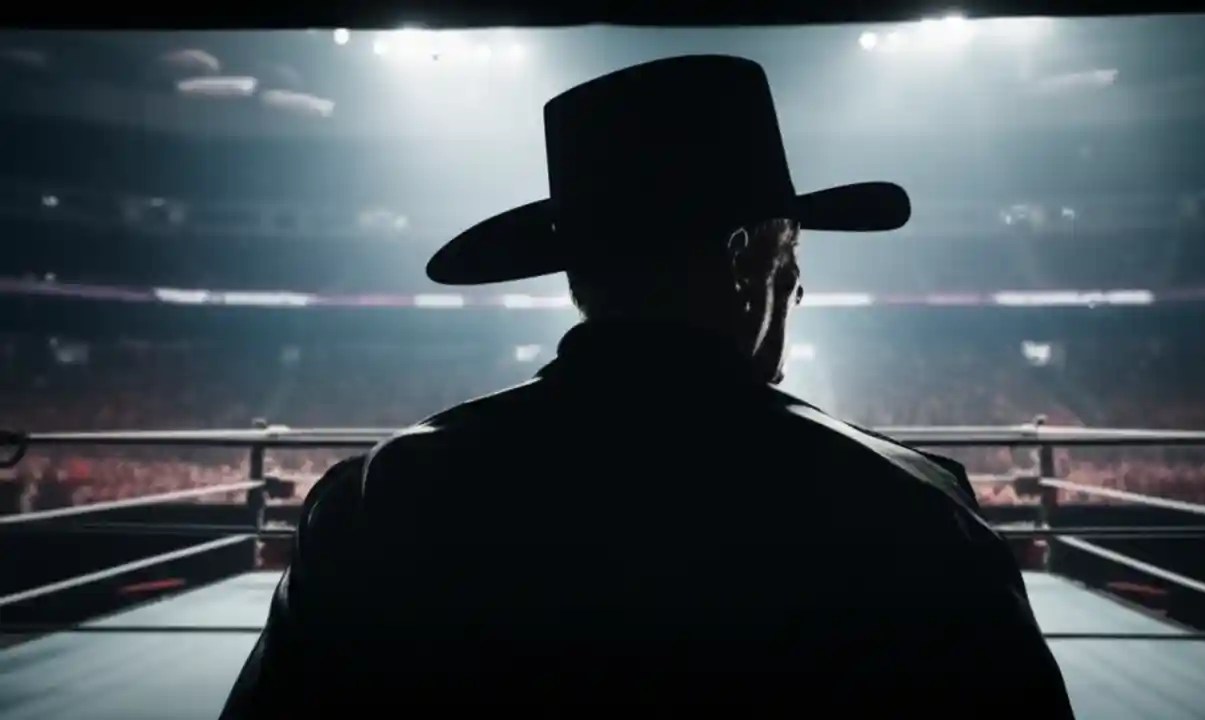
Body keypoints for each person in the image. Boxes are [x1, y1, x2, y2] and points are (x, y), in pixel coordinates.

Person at [220, 56, 1074, 718]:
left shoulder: (376, 501)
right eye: (791, 266)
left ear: (579, 274)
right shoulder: (916, 512)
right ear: (747, 261)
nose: (797, 296)